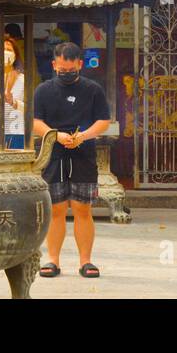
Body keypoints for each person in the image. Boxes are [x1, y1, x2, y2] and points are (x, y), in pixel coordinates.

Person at [32, 41, 110, 279]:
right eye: (62, 69)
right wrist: (56, 135)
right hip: (53, 154)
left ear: (80, 64)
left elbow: (103, 121)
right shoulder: (43, 90)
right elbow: (35, 122)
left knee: (82, 208)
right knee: (56, 209)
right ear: (54, 65)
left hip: (83, 153)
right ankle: (52, 260)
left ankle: (86, 261)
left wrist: (83, 136)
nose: (66, 73)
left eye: (71, 69)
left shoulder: (93, 89)